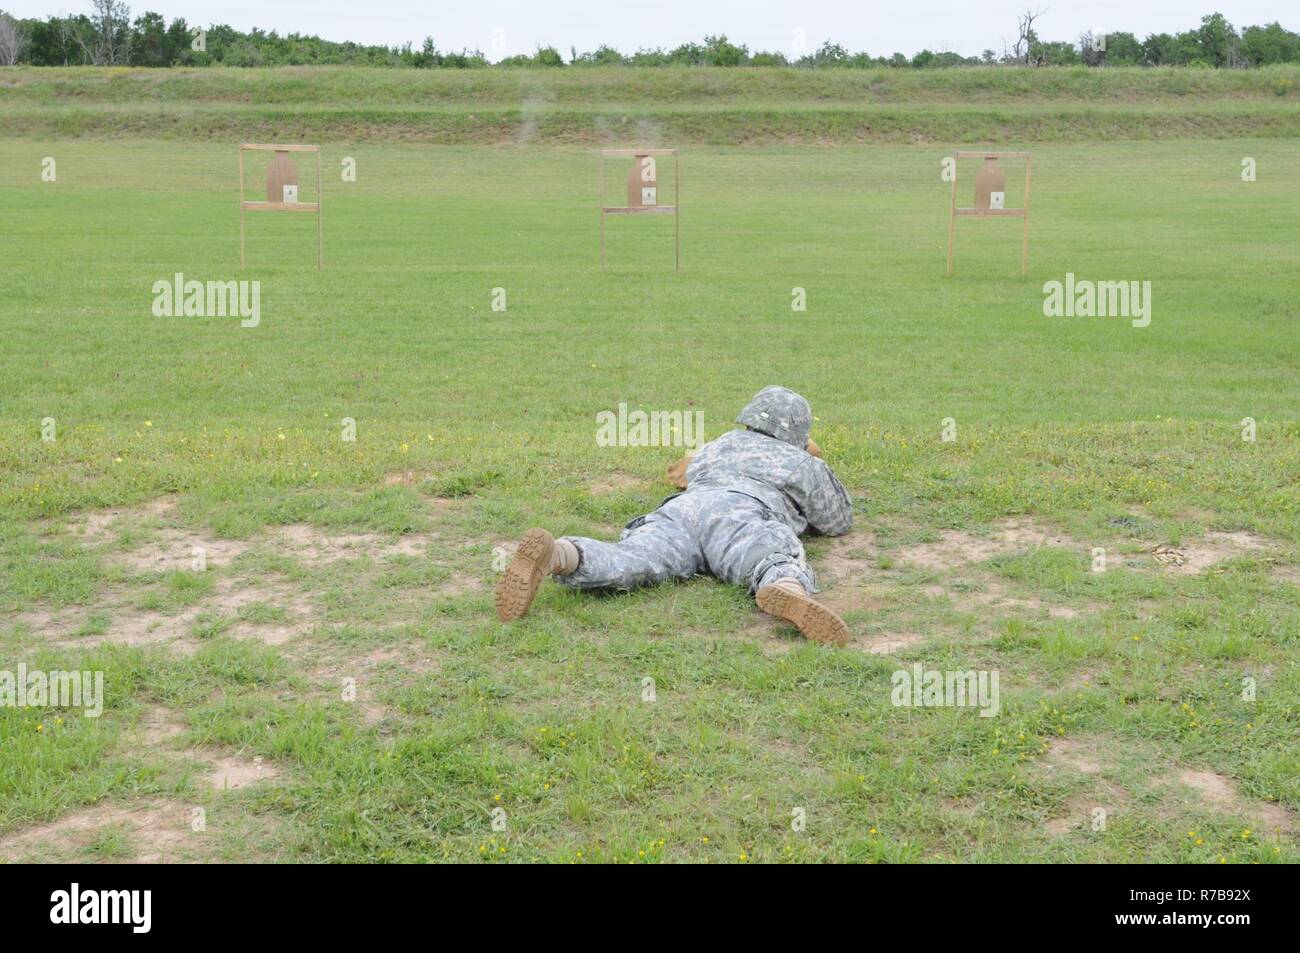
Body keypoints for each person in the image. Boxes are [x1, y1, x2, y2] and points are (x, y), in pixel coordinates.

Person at [495, 386, 855, 646]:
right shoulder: (800, 461)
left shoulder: (720, 443)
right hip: (740, 514)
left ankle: (559, 554)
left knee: (633, 558)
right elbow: (836, 521)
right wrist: (813, 461)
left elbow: (684, 472)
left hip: (682, 511)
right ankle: (785, 589)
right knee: (769, 557)